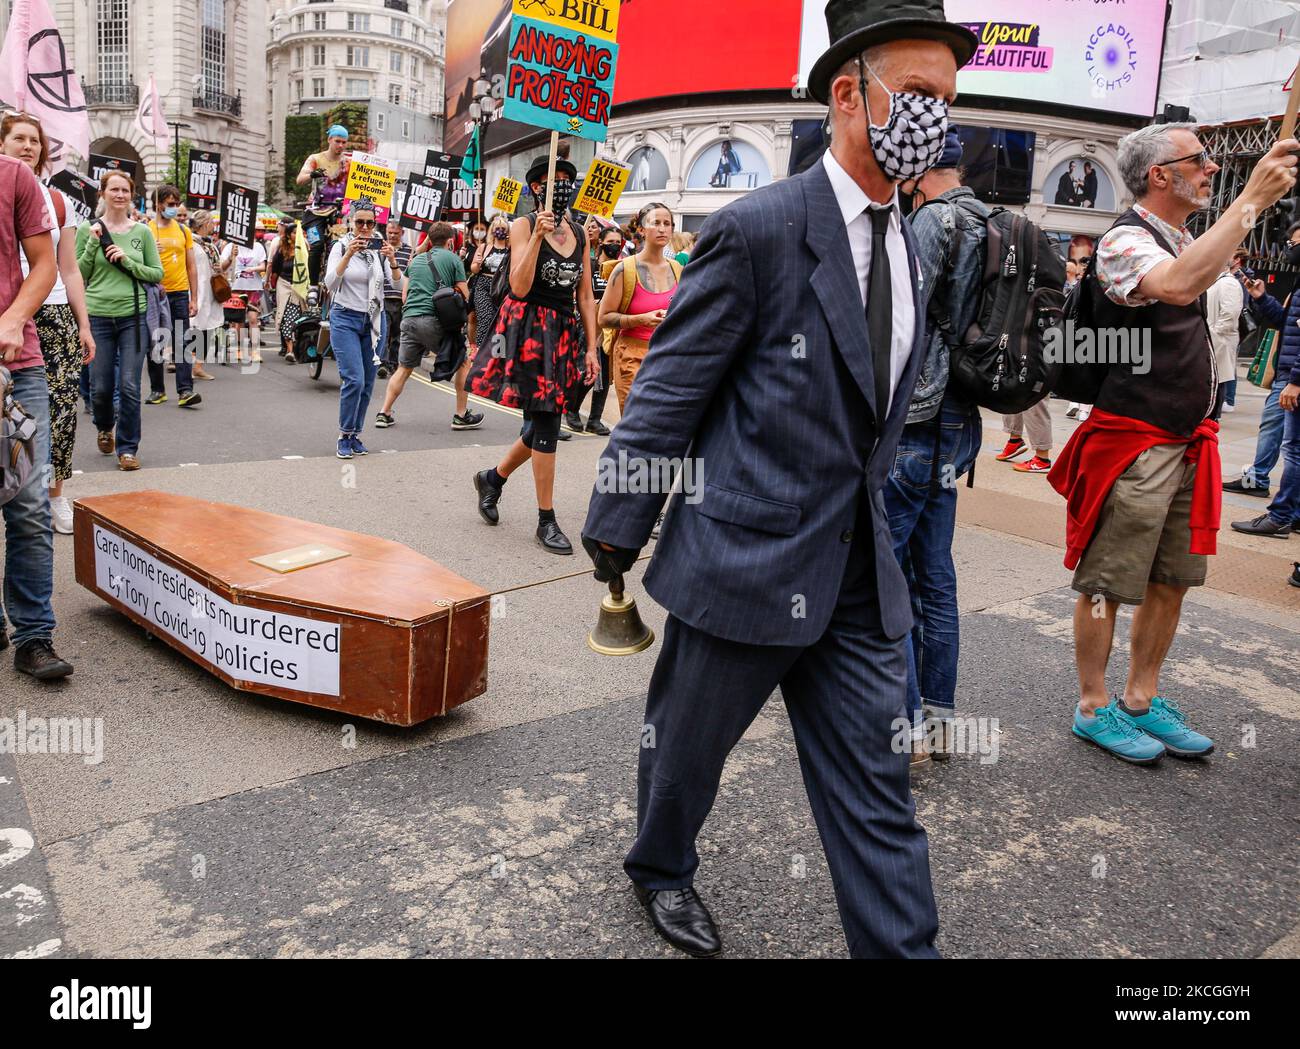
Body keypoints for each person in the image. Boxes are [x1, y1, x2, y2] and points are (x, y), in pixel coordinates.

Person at [581, 0, 974, 958]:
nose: (937, 120)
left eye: (947, 101)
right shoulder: (758, 229)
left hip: (854, 579)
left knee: (880, 801)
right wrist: (614, 538)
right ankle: (660, 868)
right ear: (849, 95)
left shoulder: (909, 244)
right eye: (918, 94)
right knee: (683, 757)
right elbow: (670, 394)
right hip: (740, 561)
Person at [1050, 121, 1297, 763]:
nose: (1213, 169)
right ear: (1160, 174)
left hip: (1189, 438)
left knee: (1172, 580)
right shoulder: (1124, 241)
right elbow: (1178, 285)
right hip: (1136, 440)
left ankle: (1140, 697)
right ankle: (1094, 705)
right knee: (1106, 579)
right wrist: (1252, 204)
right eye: (1201, 160)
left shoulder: (1184, 236)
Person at [887, 129, 986, 768]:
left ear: (921, 171)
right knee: (938, 573)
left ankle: (902, 723)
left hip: (919, 415)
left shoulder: (930, 222)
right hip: (962, 421)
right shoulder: (995, 220)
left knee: (887, 573)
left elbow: (906, 321)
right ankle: (941, 720)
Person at [468, 155, 600, 554]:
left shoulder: (581, 232)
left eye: (565, 179)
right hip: (526, 329)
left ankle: (493, 478)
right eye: (549, 180)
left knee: (540, 423)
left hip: (562, 333)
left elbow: (585, 295)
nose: (559, 185)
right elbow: (520, 287)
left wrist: (592, 348)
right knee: (546, 421)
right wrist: (538, 237)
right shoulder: (522, 226)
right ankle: (546, 520)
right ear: (535, 188)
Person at [1, 113, 95, 536]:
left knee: (59, 414)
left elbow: (69, 269)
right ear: (3, 145)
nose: (28, 146)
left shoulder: (60, 202)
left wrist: (84, 325)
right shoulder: (5, 188)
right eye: (19, 138)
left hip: (54, 313)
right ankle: (20, 495)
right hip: (12, 311)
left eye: (34, 141)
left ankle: (54, 495)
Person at [0, 142, 65, 678]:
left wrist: (15, 316)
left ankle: (34, 636)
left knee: (26, 504)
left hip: (16, 367)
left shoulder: (16, 177)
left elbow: (45, 264)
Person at [78, 170, 164, 472]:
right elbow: (79, 275)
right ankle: (104, 426)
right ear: (102, 194)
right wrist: (92, 244)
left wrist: (128, 261)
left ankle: (127, 449)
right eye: (113, 189)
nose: (119, 195)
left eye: (125, 190)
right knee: (101, 387)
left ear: (132, 194)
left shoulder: (142, 232)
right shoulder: (87, 229)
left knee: (129, 385)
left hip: (134, 316)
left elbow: (156, 274)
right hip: (97, 316)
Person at [375, 221, 481, 431]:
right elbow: (465, 294)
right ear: (450, 241)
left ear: (429, 240)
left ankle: (384, 413)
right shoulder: (453, 259)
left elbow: (404, 296)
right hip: (434, 320)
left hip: (409, 320)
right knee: (462, 363)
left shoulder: (416, 261)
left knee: (404, 368)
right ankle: (461, 415)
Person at [1227, 227, 1300, 502]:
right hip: (1288, 371)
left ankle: (1285, 511)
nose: (1289, 247)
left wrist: (1295, 379)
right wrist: (1261, 298)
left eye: (1294, 242)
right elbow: (1284, 323)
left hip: (1292, 374)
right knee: (1274, 429)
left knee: (1291, 446)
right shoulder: (1297, 283)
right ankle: (1257, 480)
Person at [598, 202, 682, 412]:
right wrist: (640, 319)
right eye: (655, 223)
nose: (662, 228)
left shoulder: (679, 269)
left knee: (664, 424)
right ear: (642, 230)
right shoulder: (624, 270)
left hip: (668, 356)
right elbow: (604, 317)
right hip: (632, 356)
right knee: (634, 425)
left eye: (667, 223)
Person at [323, 201, 388, 459]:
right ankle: (344, 434)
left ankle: (355, 434)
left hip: (373, 320)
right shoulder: (339, 247)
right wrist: (348, 255)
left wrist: (393, 261)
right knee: (354, 379)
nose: (364, 228)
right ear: (350, 222)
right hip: (345, 317)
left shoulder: (378, 249)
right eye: (359, 222)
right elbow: (330, 282)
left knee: (368, 382)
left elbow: (395, 283)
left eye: (369, 223)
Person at [145, 184, 201, 408]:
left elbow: (192, 266)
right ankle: (157, 389)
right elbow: (136, 263)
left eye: (176, 204)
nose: (174, 208)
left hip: (179, 293)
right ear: (158, 205)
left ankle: (185, 390)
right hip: (156, 293)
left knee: (183, 341)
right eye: (170, 204)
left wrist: (194, 297)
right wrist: (149, 251)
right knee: (156, 342)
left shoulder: (183, 230)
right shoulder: (146, 230)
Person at [565, 220, 621, 435]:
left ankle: (595, 419)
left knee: (605, 376)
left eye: (618, 242)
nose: (614, 245)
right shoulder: (591, 265)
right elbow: (579, 293)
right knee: (586, 371)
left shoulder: (624, 268)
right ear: (601, 243)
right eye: (610, 242)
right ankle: (572, 409)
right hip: (590, 325)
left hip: (612, 329)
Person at [296, 124, 351, 283]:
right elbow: (300, 179)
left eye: (344, 142)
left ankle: (335, 280)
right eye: (337, 141)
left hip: (337, 213)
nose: (341, 145)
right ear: (329, 140)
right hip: (315, 212)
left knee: (338, 246)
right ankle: (313, 286)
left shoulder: (348, 162)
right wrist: (312, 174)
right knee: (317, 245)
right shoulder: (316, 158)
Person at [468, 213, 511, 363]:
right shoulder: (484, 247)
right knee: (485, 318)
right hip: (484, 285)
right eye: (498, 228)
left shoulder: (510, 249)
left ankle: (498, 355)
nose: (500, 231)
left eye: (503, 228)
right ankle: (481, 351)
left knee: (501, 322)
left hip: (502, 288)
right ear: (492, 230)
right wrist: (477, 263)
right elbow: (473, 269)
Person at [188, 211, 226, 375]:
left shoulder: (210, 245)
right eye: (211, 222)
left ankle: (198, 366)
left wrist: (230, 259)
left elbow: (218, 267)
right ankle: (189, 364)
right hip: (196, 290)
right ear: (203, 224)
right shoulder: (189, 243)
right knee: (194, 326)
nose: (213, 225)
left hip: (211, 291)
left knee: (209, 326)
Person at [219, 233, 266, 364]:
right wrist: (231, 256)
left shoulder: (258, 247)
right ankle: (237, 349)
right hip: (235, 288)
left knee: (253, 319)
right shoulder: (230, 246)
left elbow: (263, 266)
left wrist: (253, 269)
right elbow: (221, 266)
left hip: (253, 288)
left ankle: (255, 351)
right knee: (236, 321)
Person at [1206, 269, 1243, 414]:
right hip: (1214, 337)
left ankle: (1216, 412)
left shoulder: (1228, 283)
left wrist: (1215, 332)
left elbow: (1230, 312)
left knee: (1219, 378)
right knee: (1215, 377)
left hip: (1220, 340)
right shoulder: (1215, 282)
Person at [378, 221, 412, 376]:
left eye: (396, 233)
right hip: (383, 297)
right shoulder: (380, 249)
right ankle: (383, 363)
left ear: (402, 233)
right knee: (384, 332)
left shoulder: (409, 251)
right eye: (390, 232)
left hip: (401, 298)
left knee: (398, 334)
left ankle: (393, 363)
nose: (392, 235)